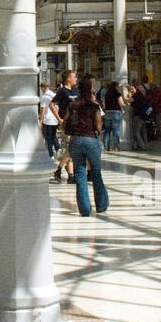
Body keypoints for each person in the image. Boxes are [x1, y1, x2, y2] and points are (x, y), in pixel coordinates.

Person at [65, 76, 108, 217]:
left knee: (80, 173)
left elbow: (65, 122)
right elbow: (98, 125)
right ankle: (101, 205)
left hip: (75, 140)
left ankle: (84, 209)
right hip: (90, 139)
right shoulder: (94, 106)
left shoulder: (72, 105)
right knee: (96, 172)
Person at [51, 69, 76, 183]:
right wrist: (59, 118)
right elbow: (52, 104)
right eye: (74, 77)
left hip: (75, 122)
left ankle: (70, 175)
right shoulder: (62, 91)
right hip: (66, 123)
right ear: (68, 79)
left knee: (70, 149)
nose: (76, 79)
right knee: (71, 148)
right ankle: (59, 168)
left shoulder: (75, 90)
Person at [99, 79, 124, 151]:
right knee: (116, 130)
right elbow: (121, 103)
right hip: (116, 112)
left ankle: (106, 147)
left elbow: (104, 105)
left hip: (107, 112)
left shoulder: (107, 94)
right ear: (116, 86)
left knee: (107, 130)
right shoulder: (117, 94)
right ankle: (116, 147)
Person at [38, 80, 60, 160]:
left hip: (47, 119)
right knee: (54, 135)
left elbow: (43, 109)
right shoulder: (54, 95)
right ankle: (58, 148)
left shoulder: (44, 97)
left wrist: (40, 119)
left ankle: (51, 154)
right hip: (55, 119)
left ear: (43, 88)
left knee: (48, 138)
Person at [130, 81, 153, 149]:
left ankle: (142, 146)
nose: (130, 91)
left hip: (138, 116)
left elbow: (131, 104)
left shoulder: (135, 96)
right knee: (143, 131)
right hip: (144, 116)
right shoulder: (140, 95)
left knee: (136, 132)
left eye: (131, 89)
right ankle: (145, 145)